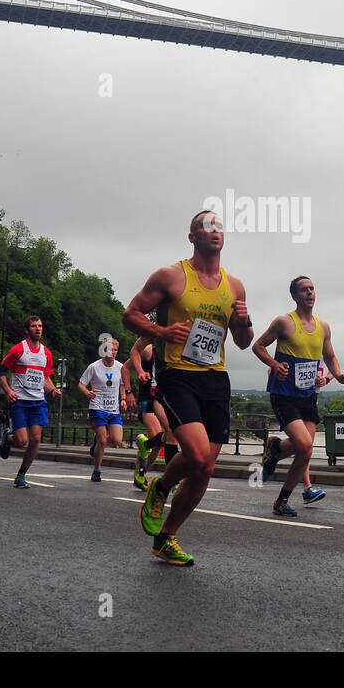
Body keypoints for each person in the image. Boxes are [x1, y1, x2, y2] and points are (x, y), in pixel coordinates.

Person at [123, 210, 253, 566]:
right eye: (205, 226)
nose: (215, 231)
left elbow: (242, 342)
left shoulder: (235, 286)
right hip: (177, 373)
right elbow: (130, 314)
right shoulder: (171, 276)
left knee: (206, 469)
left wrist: (245, 322)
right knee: (194, 455)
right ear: (192, 237)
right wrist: (162, 333)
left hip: (216, 377)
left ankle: (166, 537)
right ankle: (160, 487)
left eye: (219, 226)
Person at [254, 276, 344, 515]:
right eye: (304, 290)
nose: (310, 293)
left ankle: (276, 457)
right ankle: (281, 488)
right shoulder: (284, 322)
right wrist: (275, 365)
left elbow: (330, 357)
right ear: (295, 296)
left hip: (307, 396)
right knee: (305, 444)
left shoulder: (323, 327)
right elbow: (258, 346)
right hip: (283, 394)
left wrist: (336, 375)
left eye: (312, 289)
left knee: (305, 450)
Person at [0, 316, 62, 488]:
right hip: (20, 401)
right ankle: (7, 438)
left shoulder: (46, 353)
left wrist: (53, 390)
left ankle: (21, 475)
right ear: (27, 330)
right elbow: (1, 372)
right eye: (34, 326)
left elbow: (45, 378)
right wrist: (9, 391)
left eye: (40, 326)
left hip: (38, 402)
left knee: (36, 438)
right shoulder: (19, 349)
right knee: (21, 441)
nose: (38, 329)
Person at [78, 338, 131, 483]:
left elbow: (122, 384)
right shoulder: (94, 367)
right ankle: (97, 470)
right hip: (97, 407)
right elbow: (81, 384)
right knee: (103, 440)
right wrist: (87, 392)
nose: (112, 352)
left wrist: (123, 398)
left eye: (115, 350)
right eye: (109, 349)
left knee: (117, 440)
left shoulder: (121, 367)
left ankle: (96, 442)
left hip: (113, 410)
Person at [127, 336, 176, 490]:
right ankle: (172, 484)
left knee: (165, 438)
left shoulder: (176, 351)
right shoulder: (148, 351)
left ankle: (142, 469)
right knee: (162, 433)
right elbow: (125, 367)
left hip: (166, 397)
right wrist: (128, 393)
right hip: (147, 399)